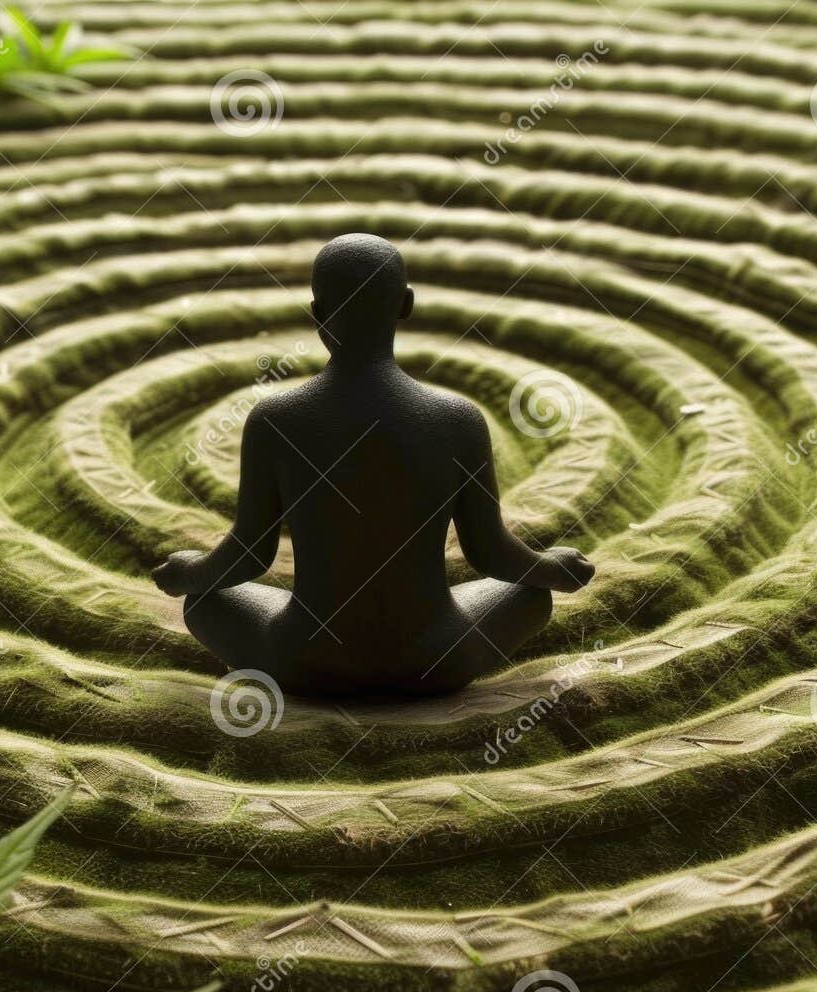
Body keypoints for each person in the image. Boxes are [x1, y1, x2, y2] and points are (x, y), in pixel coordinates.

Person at [152, 233, 594, 696]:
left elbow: (249, 555)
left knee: (203, 604)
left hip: (303, 660)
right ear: (406, 304)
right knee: (531, 596)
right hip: (437, 659)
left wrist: (190, 574)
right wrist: (551, 568)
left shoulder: (273, 421)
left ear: (317, 312)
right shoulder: (459, 420)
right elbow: (490, 554)